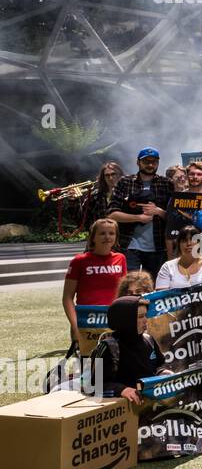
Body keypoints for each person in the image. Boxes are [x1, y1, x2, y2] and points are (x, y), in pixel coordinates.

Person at [107, 147, 175, 278]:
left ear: (158, 163)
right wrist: (139, 218)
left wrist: (158, 212)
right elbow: (111, 214)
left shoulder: (167, 184)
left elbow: (175, 218)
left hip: (158, 247)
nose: (150, 165)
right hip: (128, 246)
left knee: (155, 289)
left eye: (154, 162)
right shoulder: (125, 182)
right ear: (138, 162)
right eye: (146, 161)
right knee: (130, 285)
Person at [63, 219, 127, 350]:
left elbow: (124, 293)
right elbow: (67, 298)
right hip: (86, 322)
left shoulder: (121, 258)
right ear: (93, 237)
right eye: (102, 233)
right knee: (91, 367)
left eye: (111, 233)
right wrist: (75, 326)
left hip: (114, 320)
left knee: (115, 364)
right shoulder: (79, 261)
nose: (107, 237)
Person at [97, 295, 167, 403]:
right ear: (125, 320)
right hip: (125, 411)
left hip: (151, 405)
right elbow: (93, 386)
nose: (146, 320)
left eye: (145, 315)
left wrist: (162, 372)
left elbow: (160, 364)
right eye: (140, 317)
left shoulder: (149, 340)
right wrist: (122, 390)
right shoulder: (109, 347)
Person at [155, 225, 202, 290]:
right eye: (184, 240)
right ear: (179, 244)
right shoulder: (167, 267)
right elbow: (160, 296)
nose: (189, 243)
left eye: (192, 240)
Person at [80, 162, 124, 237]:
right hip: (100, 238)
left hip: (123, 238)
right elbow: (81, 218)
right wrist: (73, 200)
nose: (110, 178)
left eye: (113, 174)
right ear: (103, 178)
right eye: (107, 175)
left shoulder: (128, 193)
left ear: (119, 175)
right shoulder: (95, 195)